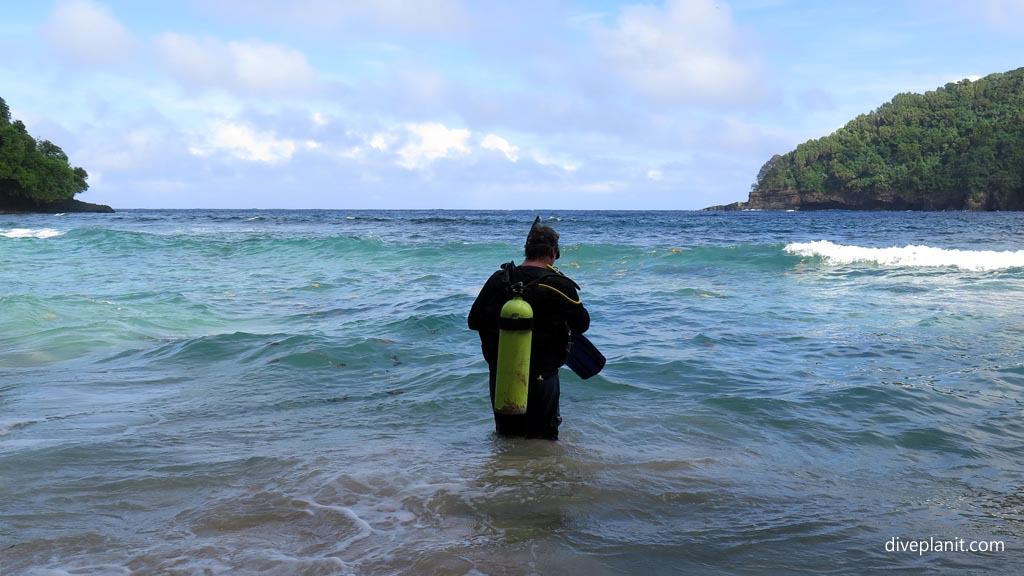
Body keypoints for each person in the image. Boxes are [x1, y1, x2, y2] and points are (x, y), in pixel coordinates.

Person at [468, 218, 590, 440]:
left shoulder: (500, 279)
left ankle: (508, 473)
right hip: (542, 378)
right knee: (543, 440)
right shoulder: (559, 284)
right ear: (553, 252)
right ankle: (538, 475)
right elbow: (582, 325)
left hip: (502, 373)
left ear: (527, 250)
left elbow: (473, 321)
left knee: (506, 437)